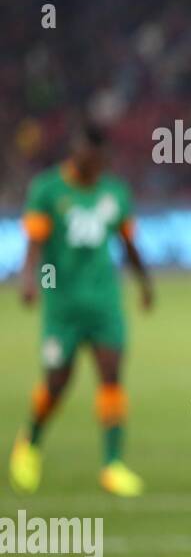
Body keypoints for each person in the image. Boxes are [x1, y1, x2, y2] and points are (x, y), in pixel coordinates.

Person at [11, 122, 152, 497]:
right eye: (95, 159)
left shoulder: (114, 193)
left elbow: (128, 244)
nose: (100, 166)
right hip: (63, 306)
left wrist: (144, 284)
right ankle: (30, 444)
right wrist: (36, 282)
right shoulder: (47, 190)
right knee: (58, 382)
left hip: (104, 302)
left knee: (111, 375)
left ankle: (112, 465)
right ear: (79, 154)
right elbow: (36, 246)